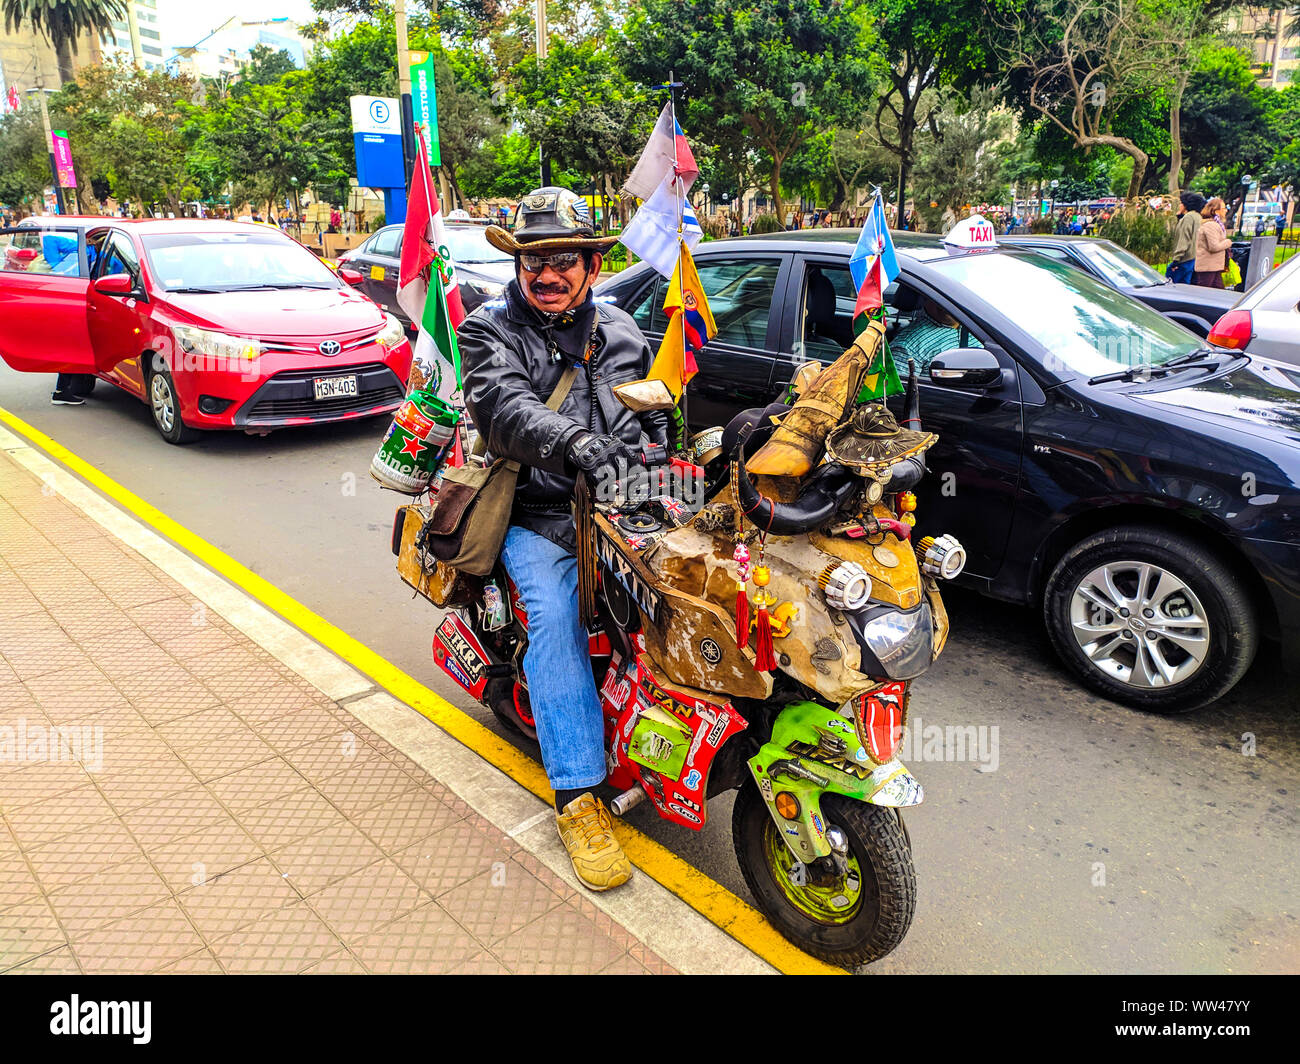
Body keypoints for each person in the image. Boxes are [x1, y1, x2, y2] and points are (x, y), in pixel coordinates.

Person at [459, 187, 668, 892]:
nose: (547, 275)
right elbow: (505, 412)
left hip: (623, 506)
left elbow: (647, 413)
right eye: (533, 261)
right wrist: (577, 443)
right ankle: (578, 794)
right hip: (537, 511)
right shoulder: (488, 329)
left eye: (563, 260)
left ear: (588, 263)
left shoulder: (622, 327)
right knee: (554, 615)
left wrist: (667, 456)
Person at [1193, 197, 1232, 289]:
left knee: (1217, 293)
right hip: (1208, 267)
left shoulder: (1216, 224)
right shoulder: (1210, 225)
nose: (1226, 211)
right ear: (1215, 211)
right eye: (1223, 208)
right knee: (1204, 294)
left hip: (1214, 267)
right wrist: (1228, 242)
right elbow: (1214, 247)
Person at [1168, 191, 1204, 285]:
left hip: (1183, 259)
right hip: (1192, 258)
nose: (1179, 205)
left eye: (1181, 203)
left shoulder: (1188, 217)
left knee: (1169, 286)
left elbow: (1184, 239)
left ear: (1186, 205)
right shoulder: (1198, 217)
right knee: (1184, 287)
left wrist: (1176, 260)